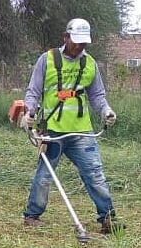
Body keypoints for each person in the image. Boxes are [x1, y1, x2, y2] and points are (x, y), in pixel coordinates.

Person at [20, 18, 123, 234]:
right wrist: (29, 112)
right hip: (53, 131)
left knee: (94, 173)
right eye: (76, 42)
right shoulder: (46, 60)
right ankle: (32, 215)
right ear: (65, 37)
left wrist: (106, 111)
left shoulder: (89, 63)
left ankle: (107, 219)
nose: (79, 47)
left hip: (81, 131)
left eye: (83, 43)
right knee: (45, 176)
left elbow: (97, 96)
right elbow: (33, 92)